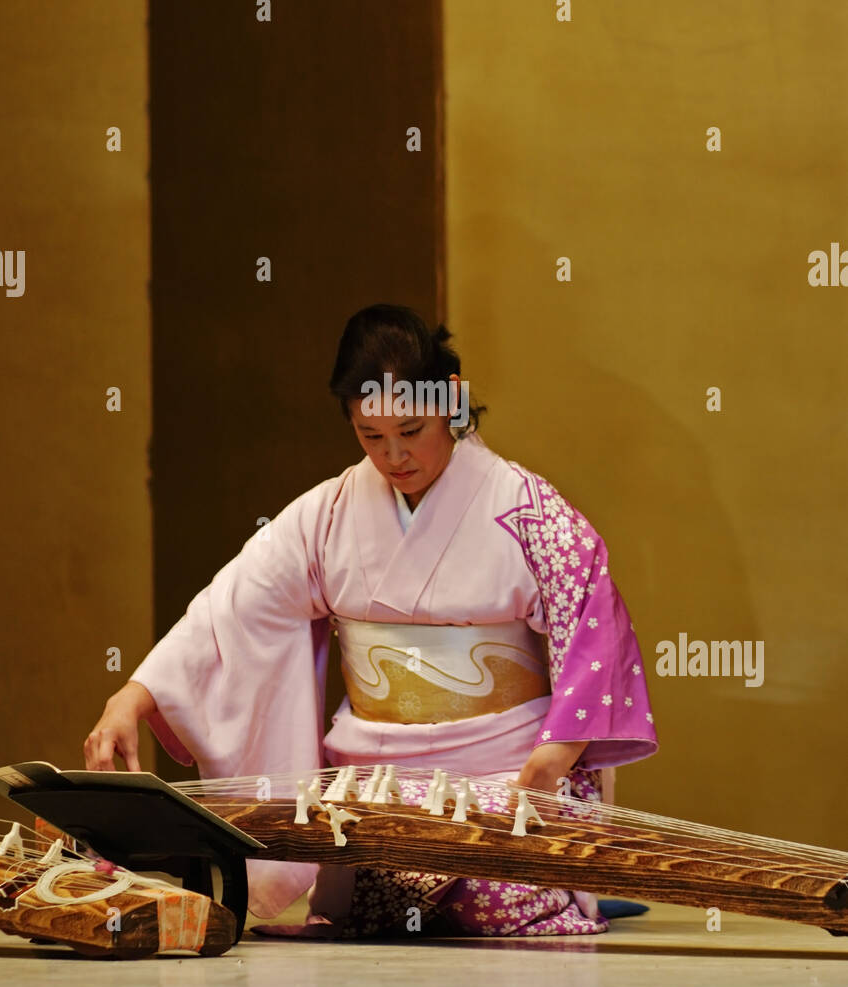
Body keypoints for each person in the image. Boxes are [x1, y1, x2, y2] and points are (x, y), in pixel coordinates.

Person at [85, 305, 658, 938]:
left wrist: (551, 762)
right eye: (370, 435)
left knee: (493, 898)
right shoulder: (330, 514)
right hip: (373, 789)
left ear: (452, 401)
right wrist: (133, 697)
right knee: (372, 888)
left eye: (411, 429)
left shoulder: (527, 512)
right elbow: (230, 609)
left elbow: (595, 631)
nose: (393, 455)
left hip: (509, 778)